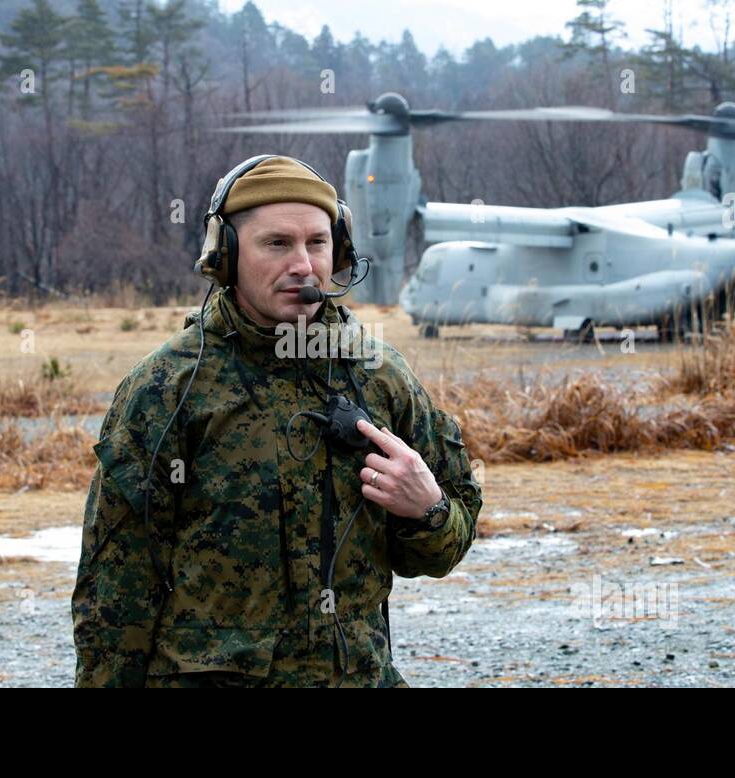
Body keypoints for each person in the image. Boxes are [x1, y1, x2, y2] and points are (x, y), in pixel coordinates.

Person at [72, 155, 482, 687]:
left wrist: (427, 509)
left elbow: (440, 549)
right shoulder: (168, 390)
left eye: (317, 242)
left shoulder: (378, 376)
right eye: (276, 244)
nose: (303, 265)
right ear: (226, 255)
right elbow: (115, 591)